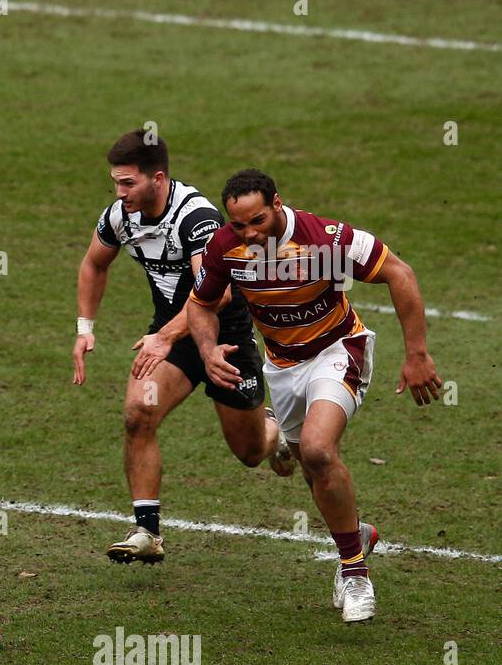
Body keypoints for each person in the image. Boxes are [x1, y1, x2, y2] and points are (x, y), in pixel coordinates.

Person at [188, 169, 442, 622]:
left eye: (258, 221)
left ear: (278, 203)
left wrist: (417, 354)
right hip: (282, 367)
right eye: (239, 224)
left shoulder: (326, 239)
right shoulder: (226, 247)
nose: (249, 233)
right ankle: (355, 535)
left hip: (338, 350)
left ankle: (354, 573)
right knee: (309, 464)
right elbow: (201, 303)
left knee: (320, 450)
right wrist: (207, 351)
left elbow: (400, 274)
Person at [73, 130, 292, 564]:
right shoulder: (122, 215)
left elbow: (218, 294)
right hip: (172, 335)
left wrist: (166, 336)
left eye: (127, 183)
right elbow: (94, 263)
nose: (119, 193)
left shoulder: (196, 219)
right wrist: (85, 327)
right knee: (138, 413)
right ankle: (147, 532)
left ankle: (275, 431)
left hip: (222, 336)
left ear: (157, 178)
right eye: (116, 183)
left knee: (249, 453)